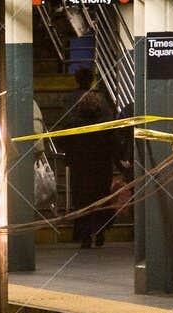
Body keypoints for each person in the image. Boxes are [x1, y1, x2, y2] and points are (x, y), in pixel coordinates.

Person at [59, 69, 121, 248]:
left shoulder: (74, 122)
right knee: (101, 198)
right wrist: (120, 160)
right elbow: (114, 141)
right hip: (102, 167)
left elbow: (63, 140)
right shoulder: (105, 119)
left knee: (82, 200)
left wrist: (69, 157)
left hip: (80, 167)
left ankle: (85, 236)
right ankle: (100, 232)